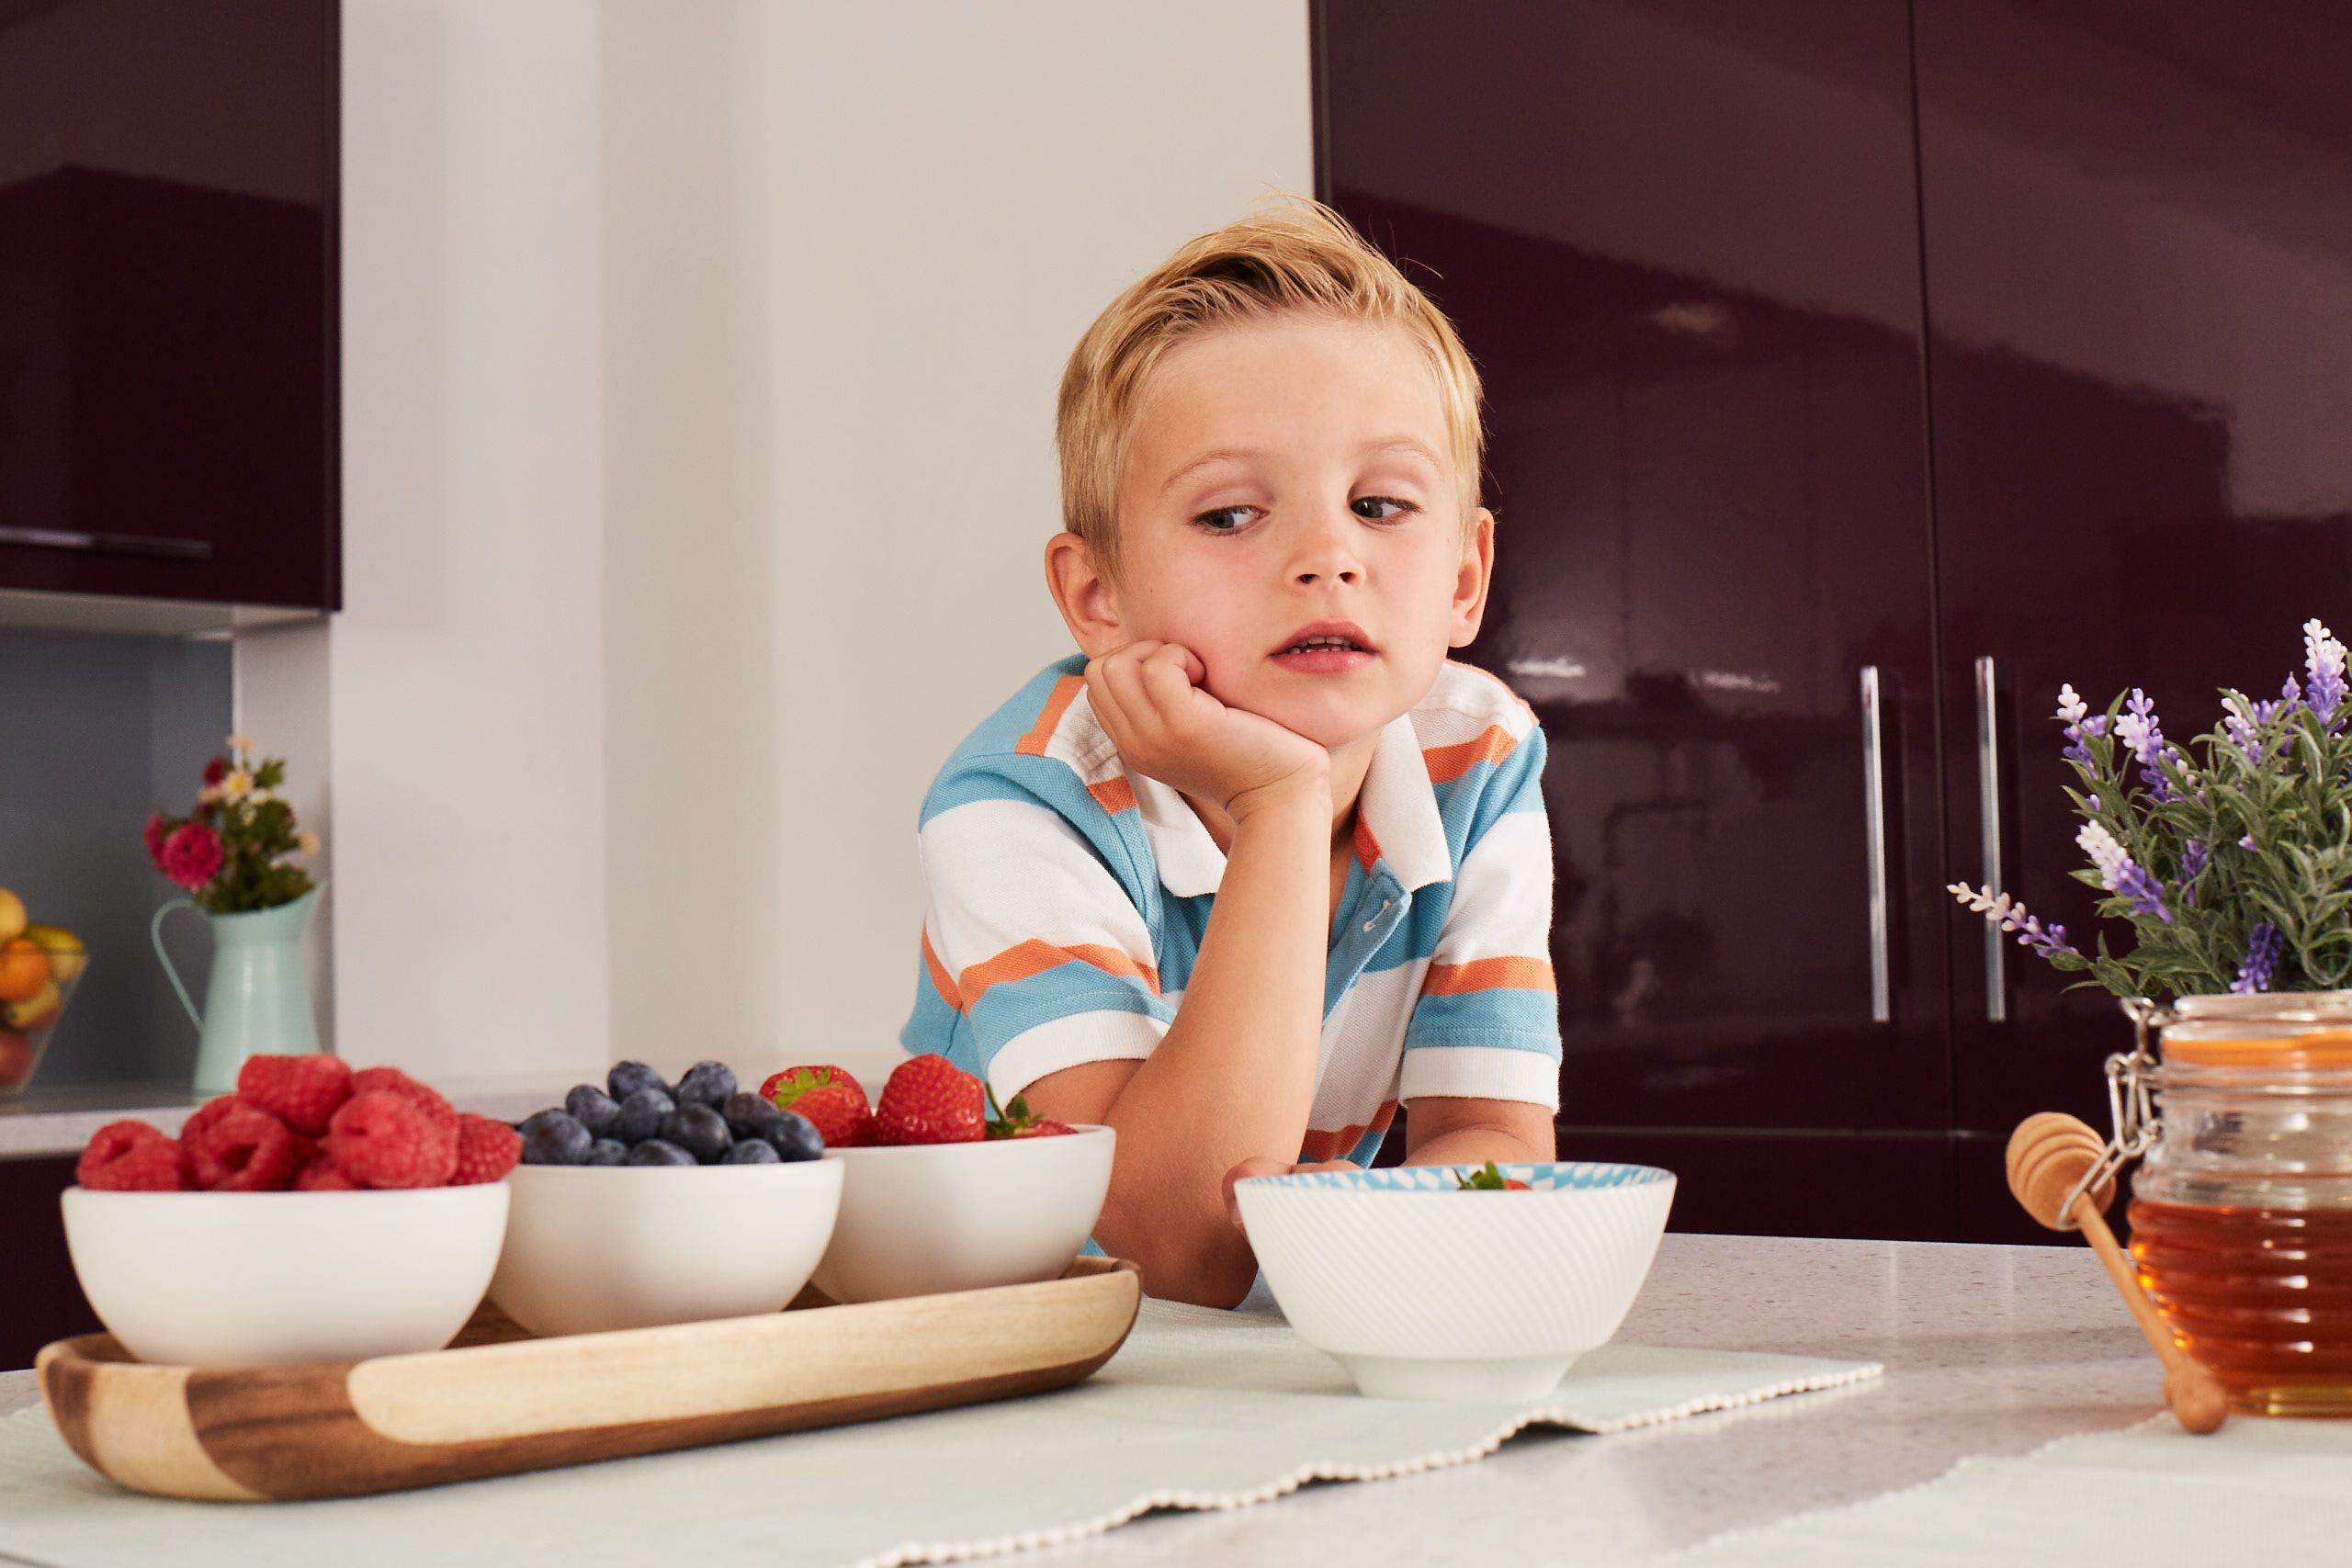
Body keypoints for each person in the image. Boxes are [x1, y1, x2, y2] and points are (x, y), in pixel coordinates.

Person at [901, 199, 1557, 1307]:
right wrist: (1281, 809)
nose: (1326, 555)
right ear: (1096, 596)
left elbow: (1491, 1136)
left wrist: (1367, 1248)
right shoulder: (1020, 802)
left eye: (1381, 503)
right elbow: (1169, 1254)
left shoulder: (1478, 753)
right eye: (1228, 516)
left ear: (1463, 578)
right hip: (1021, 1345)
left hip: (1276, 1344)